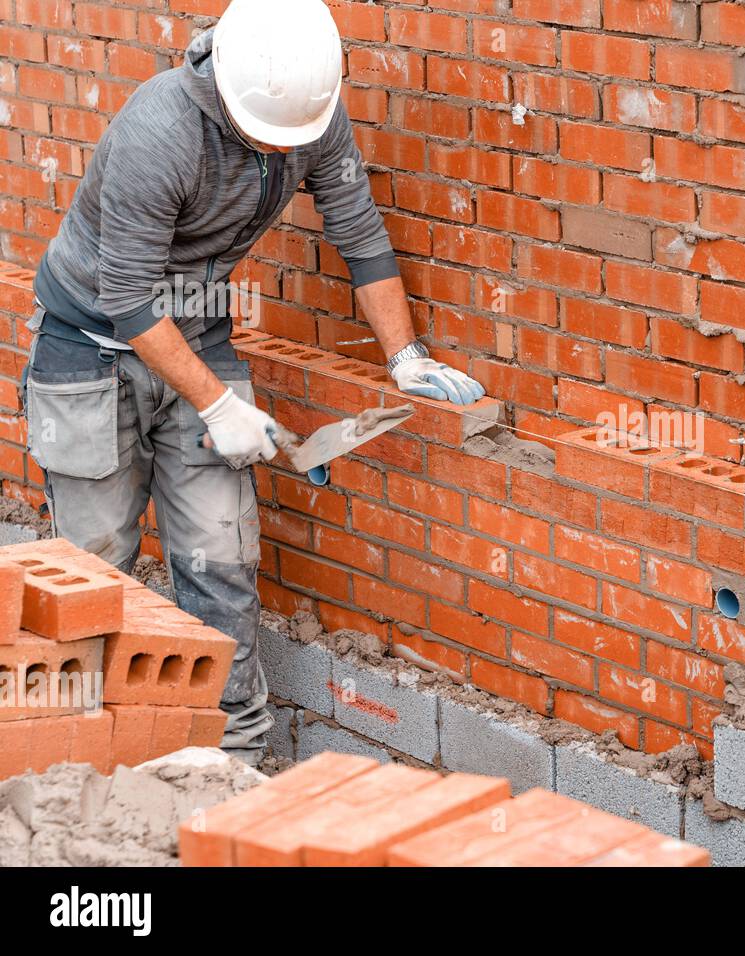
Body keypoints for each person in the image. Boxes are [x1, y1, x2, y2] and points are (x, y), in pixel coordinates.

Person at [21, 0, 484, 763]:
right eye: (262, 132)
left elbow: (360, 235)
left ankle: (231, 763)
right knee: (94, 563)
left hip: (199, 334)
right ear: (226, 90)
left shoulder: (310, 111)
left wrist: (407, 359)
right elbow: (129, 300)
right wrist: (220, 404)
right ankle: (78, 761)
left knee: (219, 557)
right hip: (91, 347)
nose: (279, 145)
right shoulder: (160, 130)